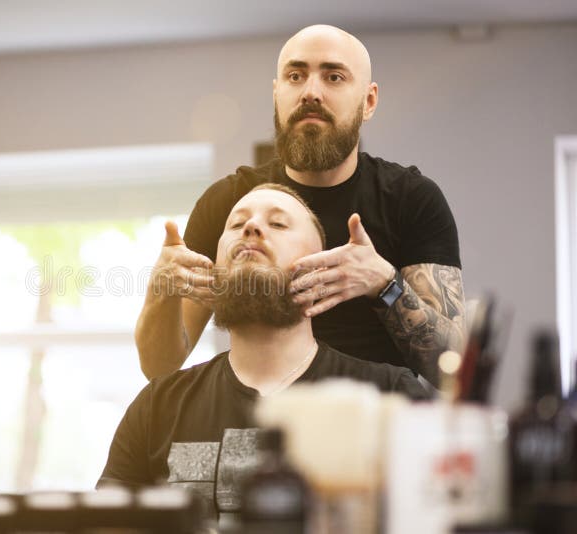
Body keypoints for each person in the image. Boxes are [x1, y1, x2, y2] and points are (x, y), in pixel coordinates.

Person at [135, 24, 465, 385]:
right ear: (277, 93)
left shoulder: (411, 200)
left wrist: (384, 284)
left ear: (368, 102)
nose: (310, 92)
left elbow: (456, 373)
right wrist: (160, 292)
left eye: (334, 77)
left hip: (375, 413)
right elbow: (159, 369)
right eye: (295, 76)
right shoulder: (231, 205)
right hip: (258, 413)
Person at [99, 185, 430, 513]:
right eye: (236, 224)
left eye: (278, 223)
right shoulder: (157, 407)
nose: (251, 227)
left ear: (321, 269)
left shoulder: (390, 395)